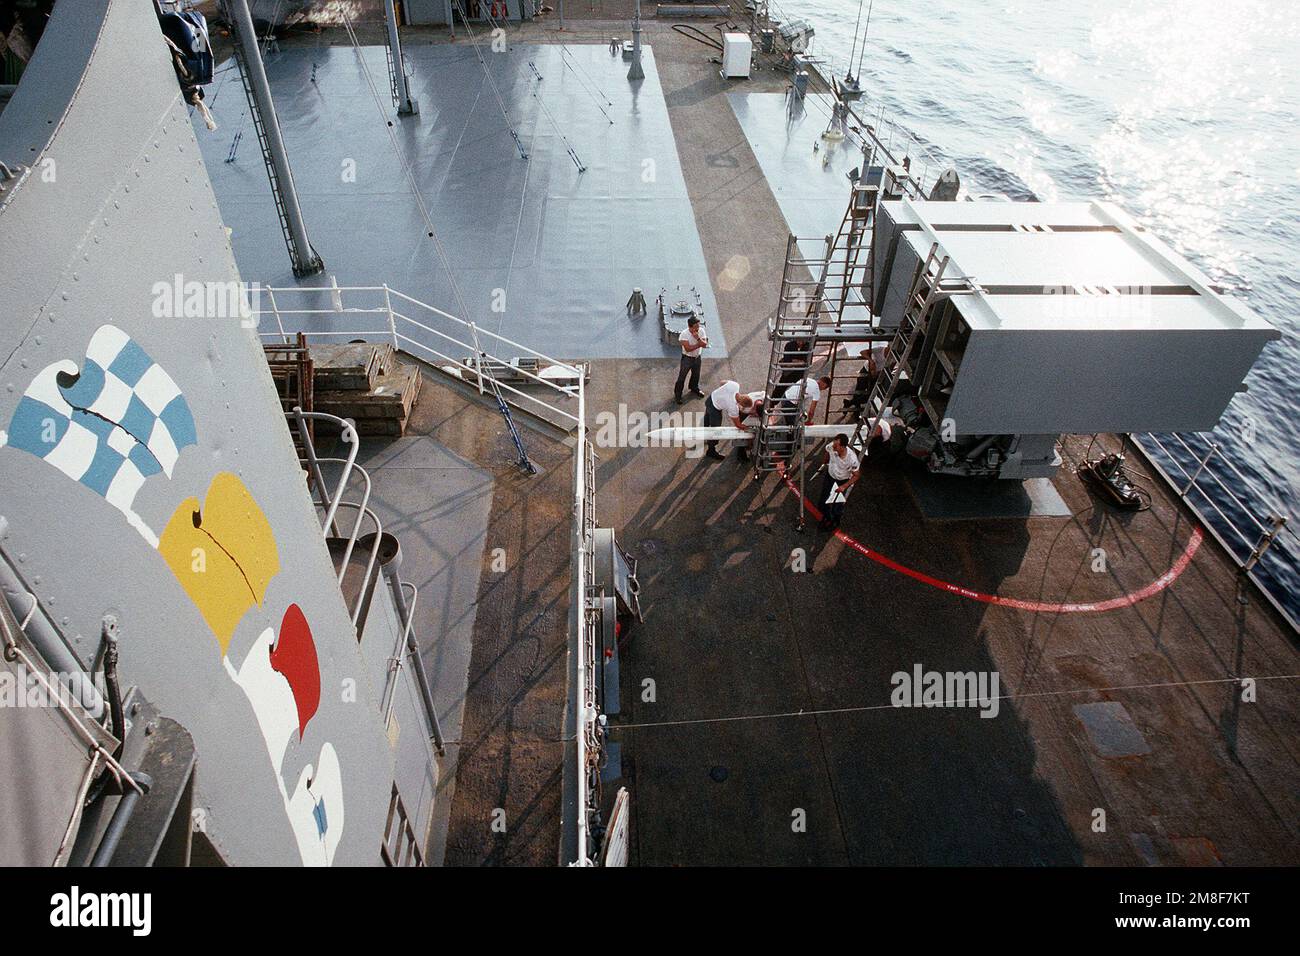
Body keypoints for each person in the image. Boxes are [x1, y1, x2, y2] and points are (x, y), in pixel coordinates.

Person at [704, 380, 755, 461]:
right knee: (715, 431)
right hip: (715, 409)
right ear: (740, 405)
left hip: (710, 398)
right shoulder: (733, 407)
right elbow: (738, 425)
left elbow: (721, 382)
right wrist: (749, 428)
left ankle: (704, 434)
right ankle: (711, 451)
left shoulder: (735, 385)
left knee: (707, 417)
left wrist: (722, 396)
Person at [819, 434, 861, 531]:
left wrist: (844, 486)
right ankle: (827, 517)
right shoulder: (831, 447)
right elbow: (827, 452)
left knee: (837, 506)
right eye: (834, 444)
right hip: (830, 477)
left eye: (836, 446)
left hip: (841, 481)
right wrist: (824, 462)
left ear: (842, 447)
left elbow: (856, 475)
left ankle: (835, 522)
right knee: (822, 502)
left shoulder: (852, 459)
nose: (833, 446)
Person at [674, 316, 708, 404]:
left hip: (697, 357)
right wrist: (699, 344)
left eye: (698, 325)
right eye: (696, 326)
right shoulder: (684, 334)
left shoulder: (701, 331)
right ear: (690, 326)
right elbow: (688, 349)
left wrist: (697, 338)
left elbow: (704, 345)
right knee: (682, 377)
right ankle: (678, 395)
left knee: (696, 375)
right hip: (687, 358)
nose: (698, 327)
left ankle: (694, 388)